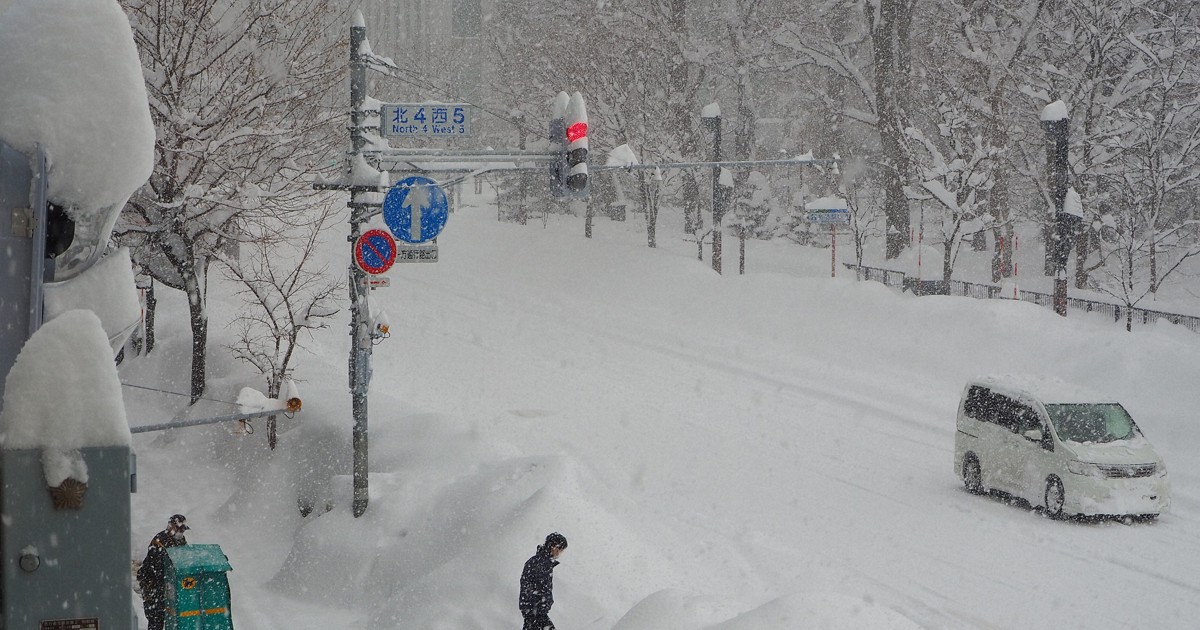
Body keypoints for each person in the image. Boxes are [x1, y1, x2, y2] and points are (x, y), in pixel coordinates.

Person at [137, 514, 189, 630]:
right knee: (156, 618)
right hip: (152, 585)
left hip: (167, 586)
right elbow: (157, 567)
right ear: (171, 526)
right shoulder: (159, 541)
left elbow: (185, 559)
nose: (181, 533)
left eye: (183, 530)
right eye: (179, 529)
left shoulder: (181, 541)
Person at [520, 532, 567, 630]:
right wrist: (541, 606)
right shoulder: (541, 564)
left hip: (534, 612)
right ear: (553, 547)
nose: (559, 553)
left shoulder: (540, 562)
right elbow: (536, 589)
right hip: (536, 613)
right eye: (560, 549)